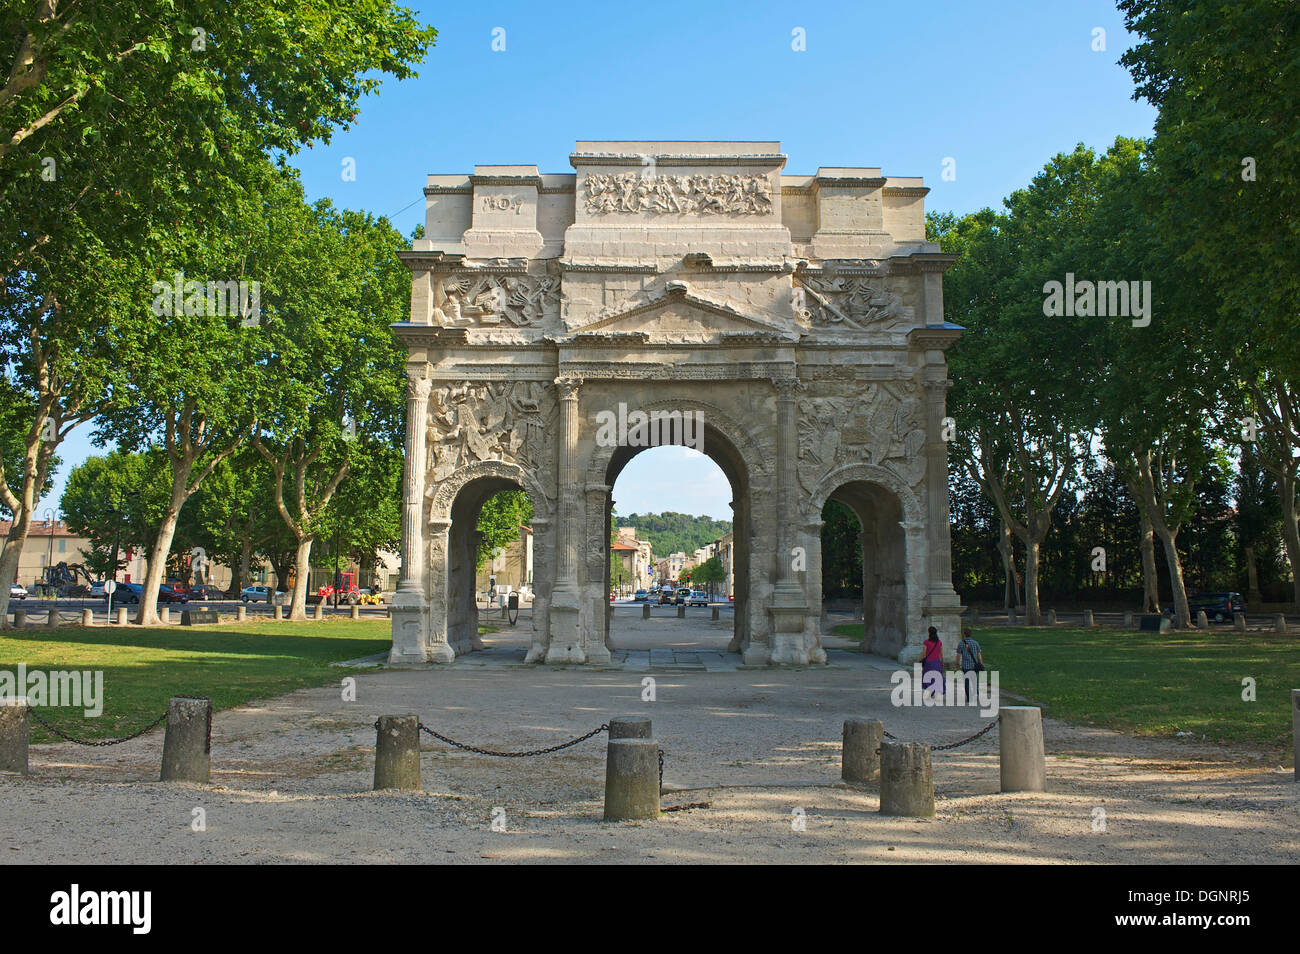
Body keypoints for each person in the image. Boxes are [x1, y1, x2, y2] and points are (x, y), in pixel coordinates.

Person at [956, 628, 984, 705]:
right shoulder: (976, 643)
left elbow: (958, 655)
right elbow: (979, 655)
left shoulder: (961, 643)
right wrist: (981, 664)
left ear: (964, 634)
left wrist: (957, 664)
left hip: (965, 666)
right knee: (974, 680)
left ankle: (969, 697)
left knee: (967, 682)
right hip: (974, 666)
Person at [921, 626, 944, 701]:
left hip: (928, 663)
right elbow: (941, 653)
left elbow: (924, 653)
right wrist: (942, 662)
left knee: (928, 678)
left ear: (929, 633)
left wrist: (920, 659)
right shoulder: (939, 642)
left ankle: (929, 694)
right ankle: (937, 695)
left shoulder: (926, 642)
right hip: (937, 662)